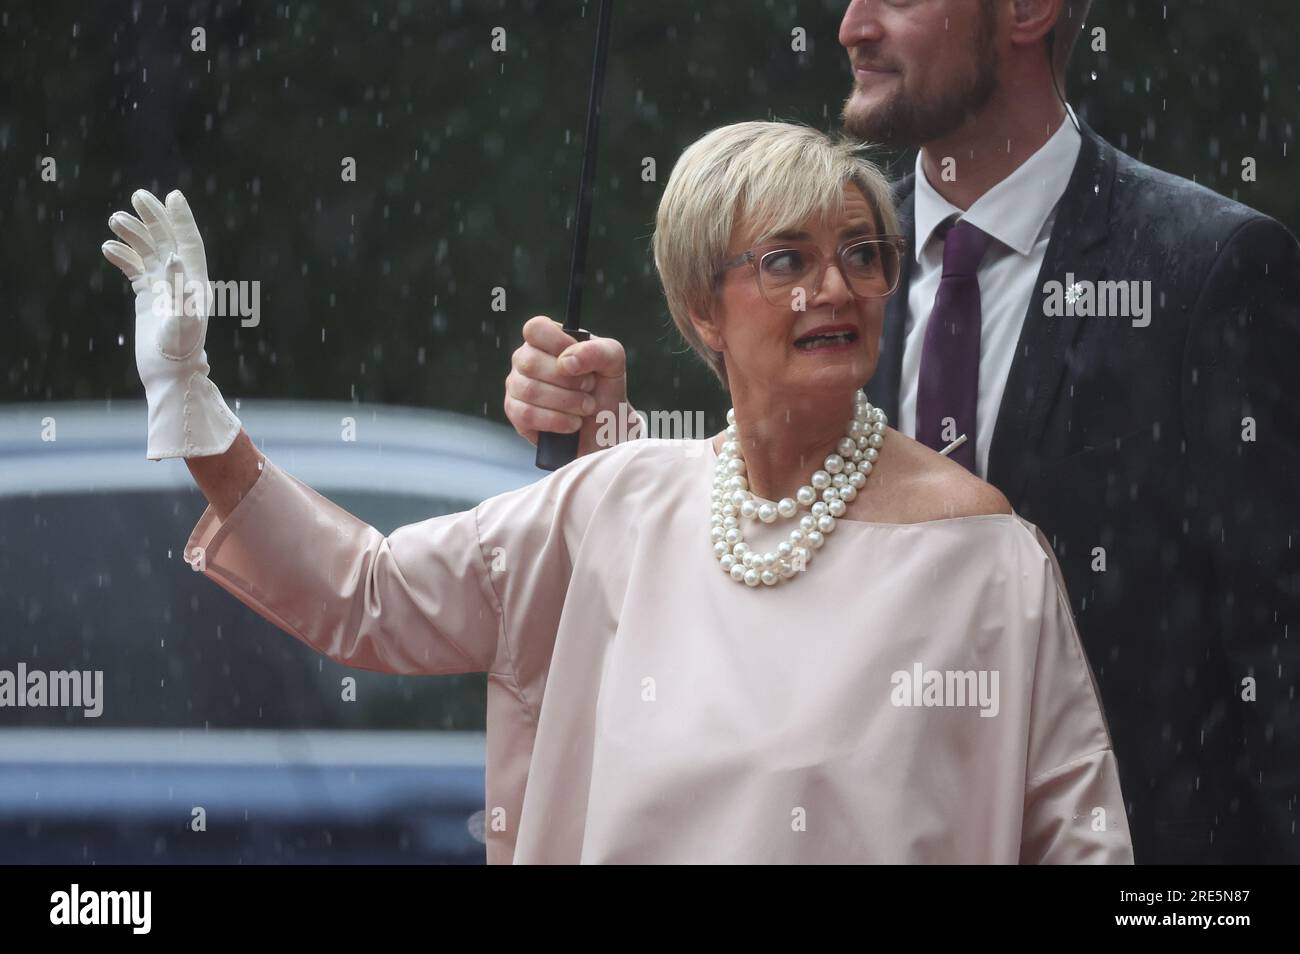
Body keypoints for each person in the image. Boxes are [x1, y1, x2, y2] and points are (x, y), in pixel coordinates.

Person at [101, 121, 1132, 864]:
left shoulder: (985, 555)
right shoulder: (611, 507)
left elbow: (1084, 846)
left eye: (862, 256)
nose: (833, 288)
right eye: (787, 260)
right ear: (702, 310)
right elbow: (368, 593)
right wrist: (192, 403)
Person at [502, 0, 1300, 864]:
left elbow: (1281, 662)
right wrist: (614, 451)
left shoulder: (1207, 272)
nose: (851, 26)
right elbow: (766, 567)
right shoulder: (826, 262)